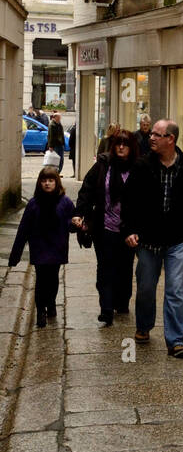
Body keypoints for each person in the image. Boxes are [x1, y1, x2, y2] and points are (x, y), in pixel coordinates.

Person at [124, 119, 183, 358]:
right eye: (150, 134)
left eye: (156, 134)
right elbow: (129, 202)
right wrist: (129, 230)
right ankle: (143, 326)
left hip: (176, 240)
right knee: (145, 288)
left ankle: (176, 341)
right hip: (147, 240)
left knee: (175, 289)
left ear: (170, 139)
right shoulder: (142, 166)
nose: (150, 138)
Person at [73, 129, 140, 327]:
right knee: (105, 268)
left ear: (131, 147)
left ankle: (121, 301)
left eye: (125, 144)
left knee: (125, 267)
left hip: (129, 230)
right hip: (104, 227)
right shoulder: (103, 165)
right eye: (118, 143)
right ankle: (106, 309)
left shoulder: (138, 168)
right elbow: (86, 190)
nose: (121, 147)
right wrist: (79, 213)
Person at [8, 167, 77, 328]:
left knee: (53, 279)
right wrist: (15, 255)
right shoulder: (33, 203)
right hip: (39, 247)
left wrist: (77, 225)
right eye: (44, 181)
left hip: (57, 247)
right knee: (41, 279)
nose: (47, 184)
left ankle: (51, 302)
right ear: (40, 183)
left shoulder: (65, 202)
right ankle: (40, 310)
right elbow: (23, 229)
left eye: (50, 180)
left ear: (56, 182)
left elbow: (71, 224)